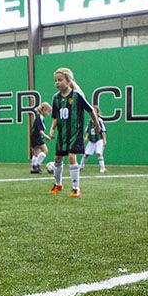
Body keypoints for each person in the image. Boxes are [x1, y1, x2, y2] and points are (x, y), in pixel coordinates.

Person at [46, 67, 100, 198]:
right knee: (57, 158)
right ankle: (58, 184)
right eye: (55, 80)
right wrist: (52, 129)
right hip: (62, 134)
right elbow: (55, 117)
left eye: (60, 80)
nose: (57, 83)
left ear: (68, 81)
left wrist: (97, 124)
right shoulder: (56, 98)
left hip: (75, 132)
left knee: (71, 156)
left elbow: (90, 110)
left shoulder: (77, 95)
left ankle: (76, 188)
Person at [80, 104, 107, 173]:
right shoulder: (89, 121)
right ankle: (81, 166)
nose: (93, 113)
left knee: (99, 153)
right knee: (85, 154)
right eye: (92, 111)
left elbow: (103, 131)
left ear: (97, 113)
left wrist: (104, 140)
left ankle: (103, 168)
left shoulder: (100, 120)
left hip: (99, 139)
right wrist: (86, 138)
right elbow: (88, 131)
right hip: (91, 140)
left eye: (95, 111)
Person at [29, 102, 50, 173]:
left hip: (34, 136)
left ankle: (34, 168)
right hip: (36, 137)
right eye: (48, 111)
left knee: (36, 152)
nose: (48, 113)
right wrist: (46, 136)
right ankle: (37, 165)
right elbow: (40, 130)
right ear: (44, 110)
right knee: (45, 150)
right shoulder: (39, 118)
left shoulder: (39, 117)